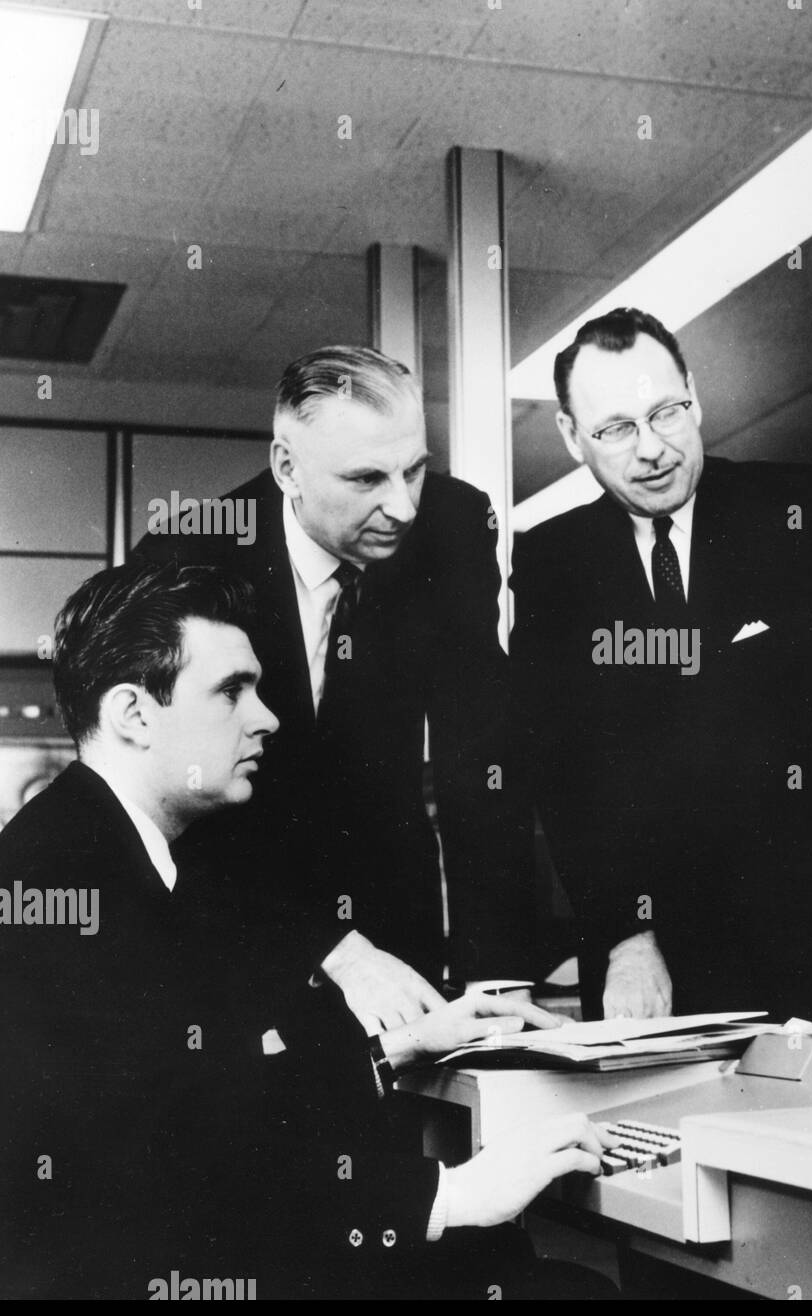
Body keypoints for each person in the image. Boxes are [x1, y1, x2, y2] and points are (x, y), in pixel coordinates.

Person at [0, 564, 612, 1299]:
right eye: (231, 690)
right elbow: (167, 1158)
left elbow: (211, 1094)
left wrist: (399, 1046)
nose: (267, 717)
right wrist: (450, 1195)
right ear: (134, 713)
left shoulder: (123, 856)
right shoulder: (55, 881)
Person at [134, 346, 532, 1035]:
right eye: (367, 478)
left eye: (415, 469)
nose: (402, 505)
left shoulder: (451, 527)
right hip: (238, 913)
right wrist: (332, 949)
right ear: (287, 467)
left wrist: (495, 971)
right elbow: (181, 798)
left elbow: (481, 753)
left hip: (394, 908)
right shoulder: (188, 560)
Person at [510, 308, 812, 1022]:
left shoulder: (802, 513)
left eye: (666, 413)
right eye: (615, 429)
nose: (652, 449)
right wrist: (623, 940)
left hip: (811, 941)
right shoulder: (552, 563)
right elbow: (564, 769)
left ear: (694, 396)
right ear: (573, 438)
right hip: (646, 955)